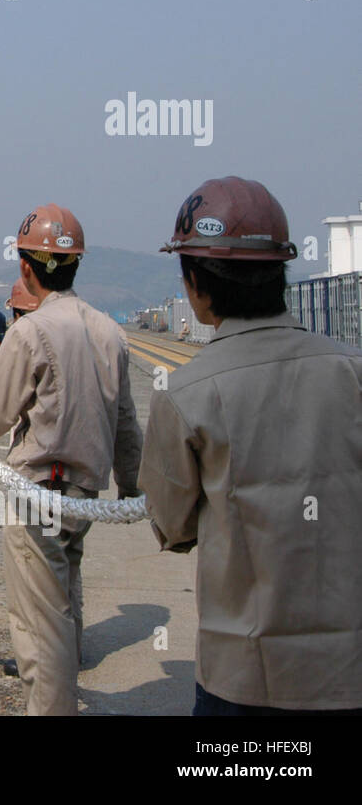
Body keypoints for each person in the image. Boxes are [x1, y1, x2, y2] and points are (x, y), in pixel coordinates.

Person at [139, 177, 362, 716]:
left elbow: (173, 527)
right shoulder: (353, 371)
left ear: (195, 284)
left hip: (242, 676)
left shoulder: (184, 395)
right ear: (281, 272)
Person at [0, 203, 142, 716]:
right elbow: (126, 423)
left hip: (38, 493)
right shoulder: (109, 332)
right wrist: (132, 487)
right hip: (84, 496)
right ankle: (72, 665)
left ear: (26, 268)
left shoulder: (29, 332)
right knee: (68, 582)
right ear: (75, 264)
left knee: (39, 622)